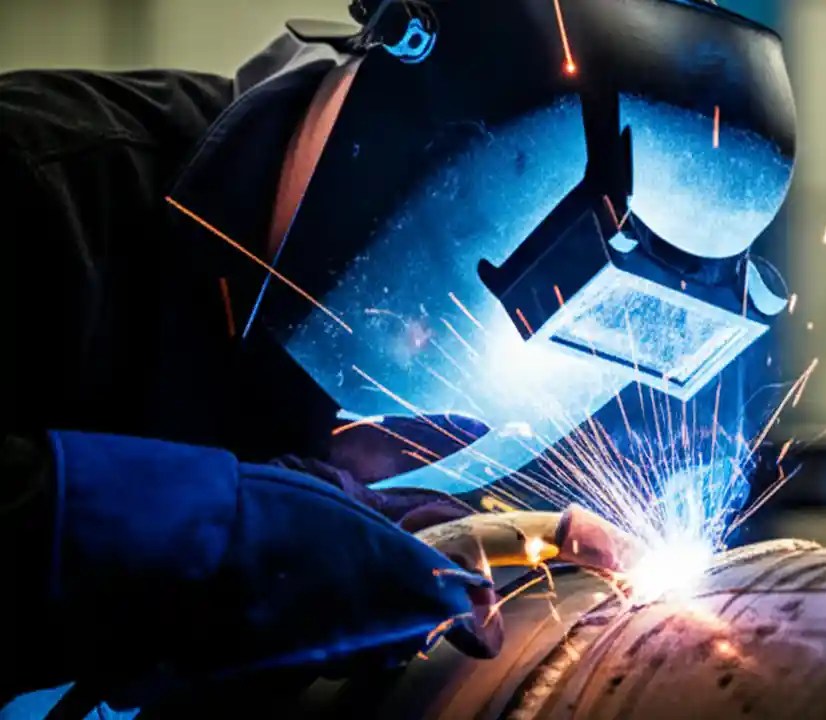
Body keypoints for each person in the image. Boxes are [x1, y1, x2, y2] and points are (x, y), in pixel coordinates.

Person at [0, 1, 611, 711]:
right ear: (389, 139)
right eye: (424, 303)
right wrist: (220, 537)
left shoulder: (326, 317)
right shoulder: (37, 177)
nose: (418, 346)